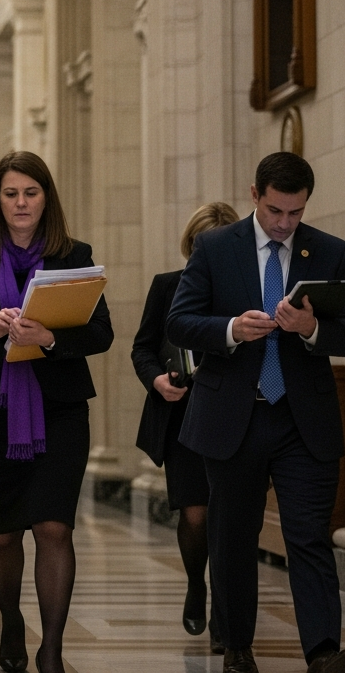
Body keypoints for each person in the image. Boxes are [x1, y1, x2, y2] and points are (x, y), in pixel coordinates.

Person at [167, 153, 345, 673]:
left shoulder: (329, 252)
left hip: (304, 420)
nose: (284, 223)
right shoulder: (215, 248)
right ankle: (236, 649)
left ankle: (323, 653)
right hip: (236, 414)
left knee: (308, 534)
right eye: (276, 210)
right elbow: (181, 322)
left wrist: (310, 329)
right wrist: (232, 329)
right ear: (254, 194)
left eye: (295, 213)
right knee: (233, 537)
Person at [0, 151, 113, 673]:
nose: (21, 203)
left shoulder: (73, 254)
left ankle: (53, 650)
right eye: (11, 193)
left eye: (31, 193)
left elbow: (101, 333)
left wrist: (50, 337)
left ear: (46, 198)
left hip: (59, 411)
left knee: (54, 528)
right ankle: (12, 621)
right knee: (2, 534)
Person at [131, 201, 238, 649]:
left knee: (230, 517)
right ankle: (198, 583)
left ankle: (228, 618)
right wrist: (156, 379)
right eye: (198, 245)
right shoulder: (167, 286)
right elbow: (142, 348)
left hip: (235, 416)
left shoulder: (245, 293)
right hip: (183, 418)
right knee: (196, 514)